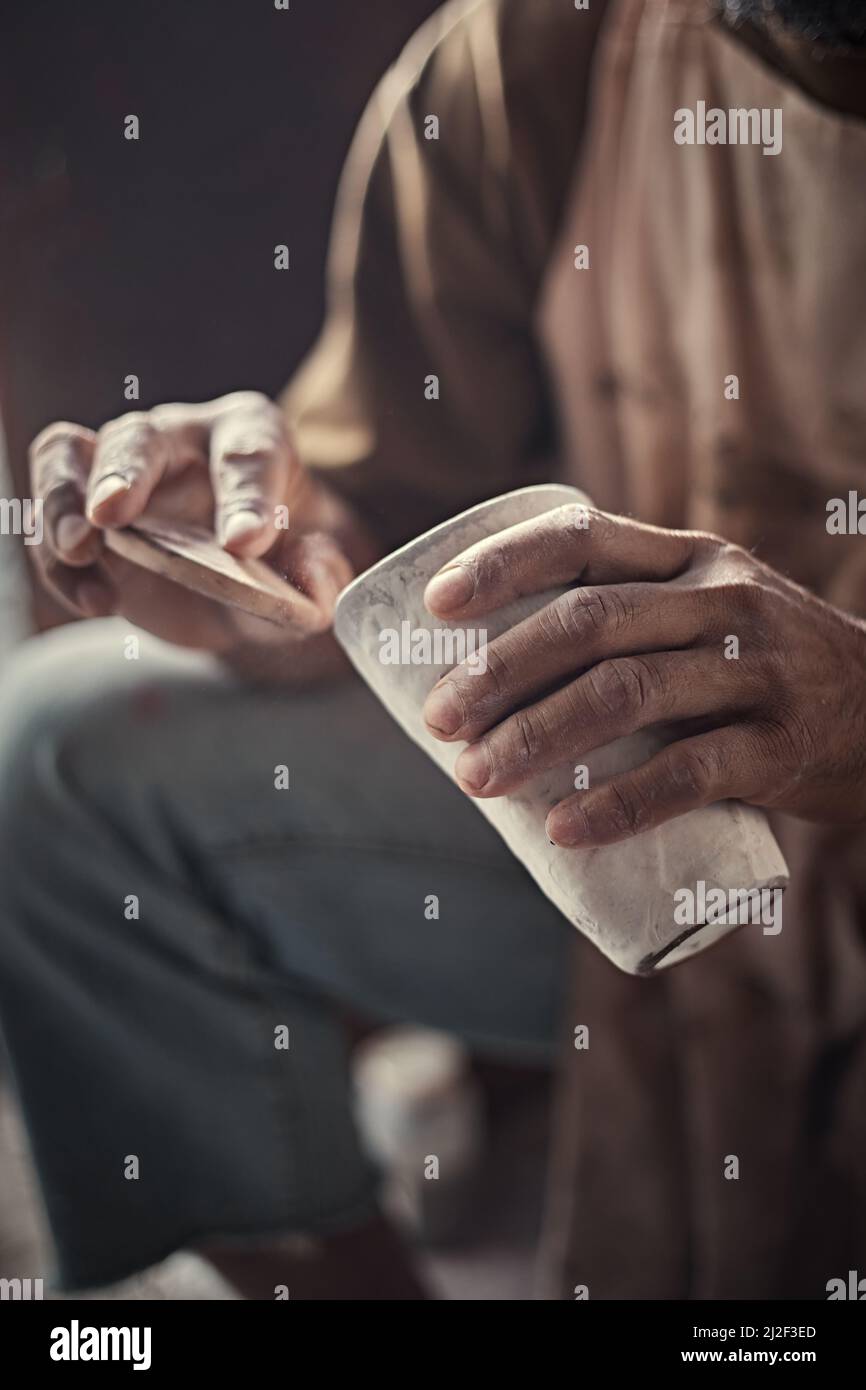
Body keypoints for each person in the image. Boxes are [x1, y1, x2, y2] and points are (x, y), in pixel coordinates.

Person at [1, 0, 865, 1300]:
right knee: (58, 759)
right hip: (613, 847)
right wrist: (252, 565)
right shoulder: (538, 54)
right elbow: (377, 546)